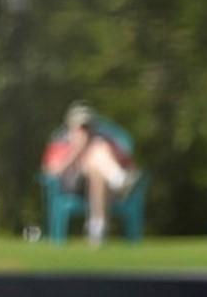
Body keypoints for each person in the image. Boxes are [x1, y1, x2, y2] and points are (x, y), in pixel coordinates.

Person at [40, 100, 140, 246]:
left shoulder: (105, 141)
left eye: (88, 126)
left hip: (102, 184)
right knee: (98, 152)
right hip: (73, 184)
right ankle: (118, 179)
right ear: (71, 125)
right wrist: (77, 150)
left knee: (97, 169)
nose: (85, 130)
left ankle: (97, 227)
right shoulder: (61, 143)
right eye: (81, 126)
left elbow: (132, 168)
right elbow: (52, 172)